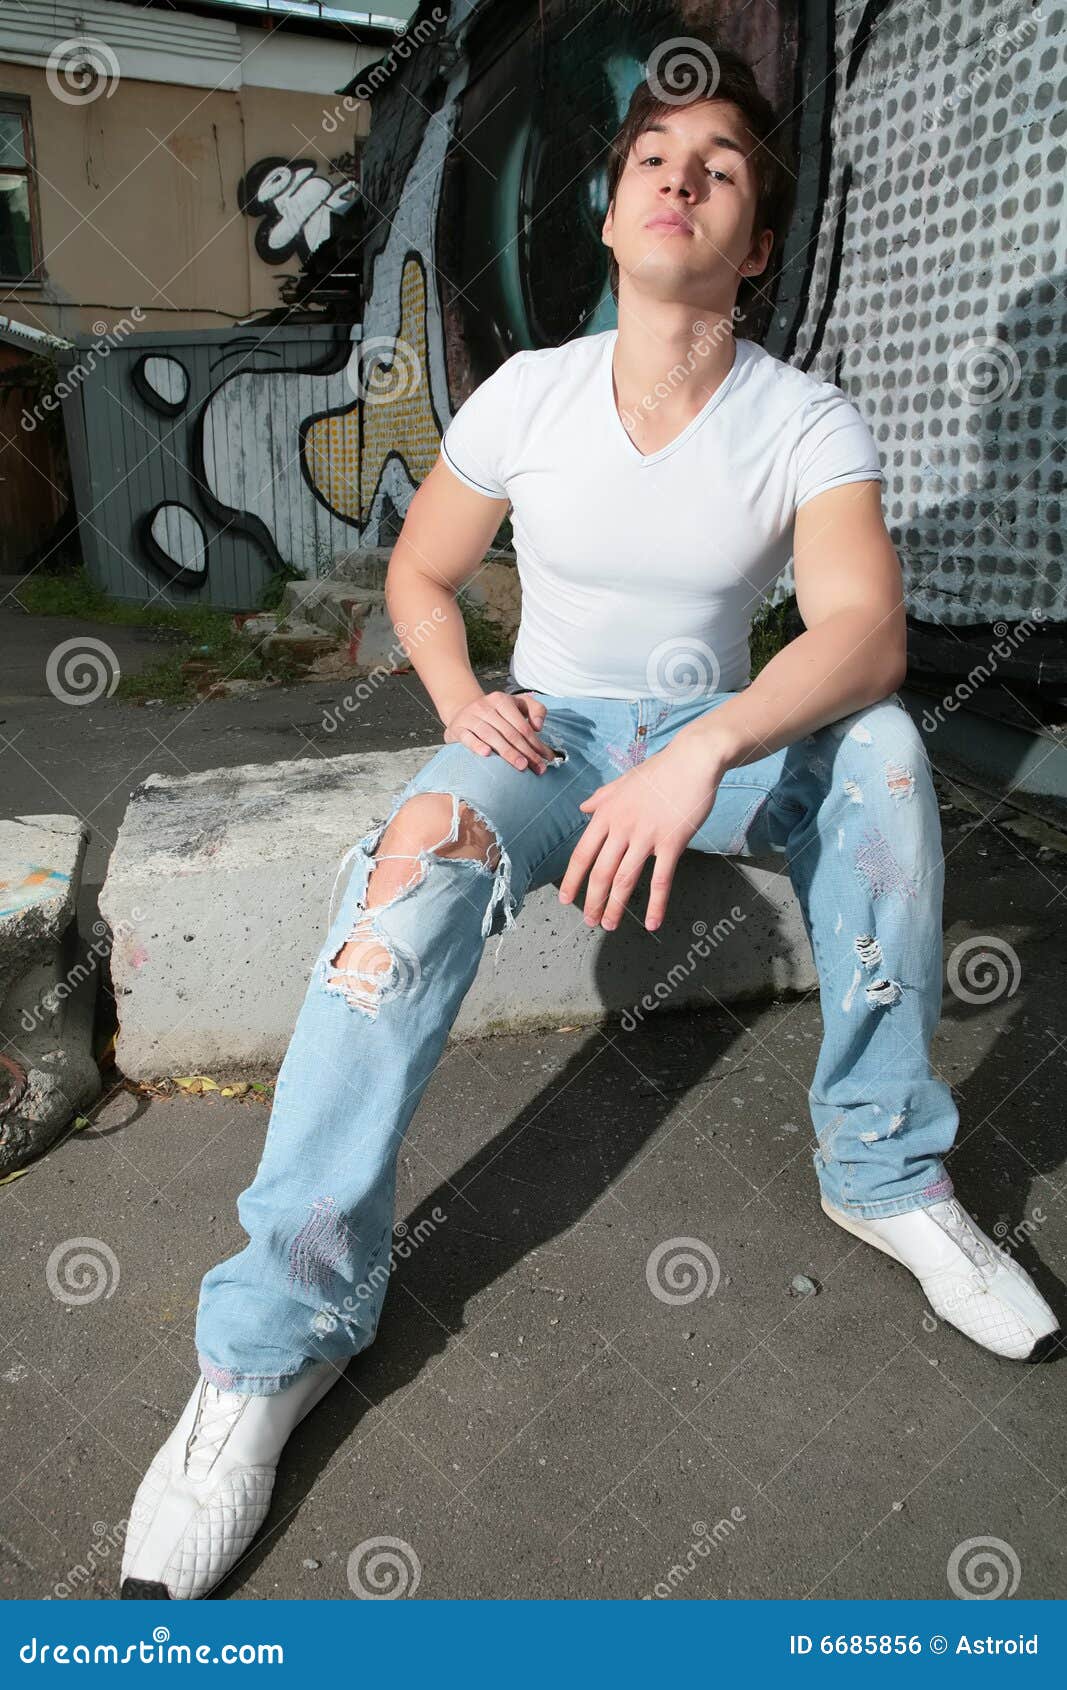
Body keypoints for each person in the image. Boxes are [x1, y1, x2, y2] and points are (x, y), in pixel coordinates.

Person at [120, 42, 1059, 1601]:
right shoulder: (529, 394)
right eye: (654, 161)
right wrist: (457, 701)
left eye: (722, 167)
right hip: (547, 736)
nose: (682, 179)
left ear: (756, 242)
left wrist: (709, 748)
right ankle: (276, 1337)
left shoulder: (804, 417)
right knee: (407, 869)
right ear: (614, 215)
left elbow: (862, 633)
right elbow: (423, 573)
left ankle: (884, 1168)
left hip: (719, 739)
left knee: (886, 756)